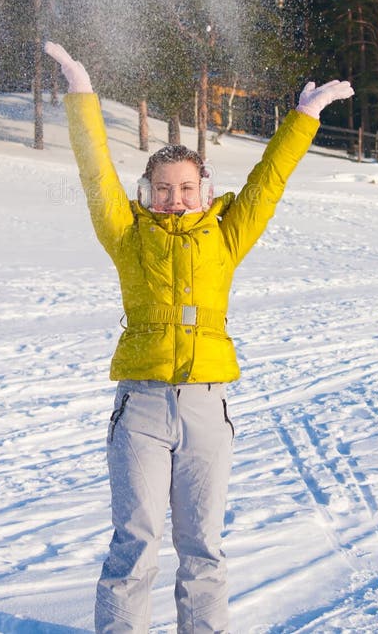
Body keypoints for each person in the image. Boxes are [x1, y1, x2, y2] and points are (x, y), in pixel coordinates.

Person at [45, 41, 353, 634]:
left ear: (205, 193)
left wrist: (304, 119)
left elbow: (267, 183)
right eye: (162, 188)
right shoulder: (127, 236)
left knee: (203, 549)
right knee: (134, 545)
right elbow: (95, 173)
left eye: (186, 188)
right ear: (146, 193)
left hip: (207, 407)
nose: (174, 198)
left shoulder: (225, 238)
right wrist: (81, 95)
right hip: (140, 406)